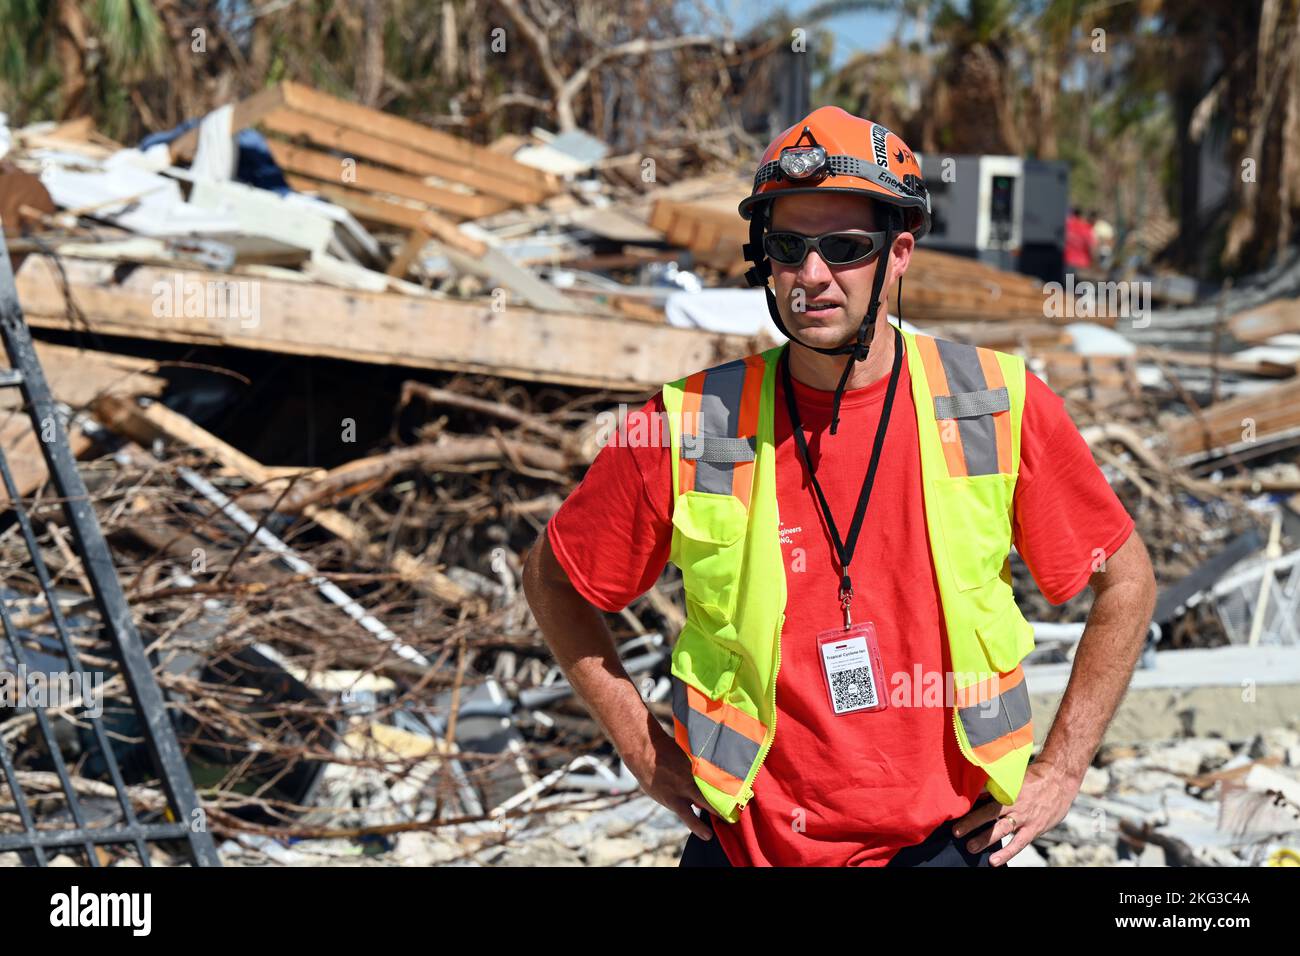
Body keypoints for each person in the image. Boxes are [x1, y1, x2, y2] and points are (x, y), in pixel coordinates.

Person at [523, 107, 1156, 867]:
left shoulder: (995, 402)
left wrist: (1060, 770)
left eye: (845, 249)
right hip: (749, 848)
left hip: (941, 846)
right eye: (789, 248)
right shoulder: (692, 421)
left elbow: (1125, 580)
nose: (812, 275)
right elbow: (555, 580)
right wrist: (641, 746)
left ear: (900, 254)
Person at [1065, 205, 1095, 270]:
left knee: (1069, 279)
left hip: (1068, 262)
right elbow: (1090, 246)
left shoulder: (1067, 225)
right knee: (1080, 279)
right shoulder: (1086, 227)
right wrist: (1093, 261)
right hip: (1082, 264)